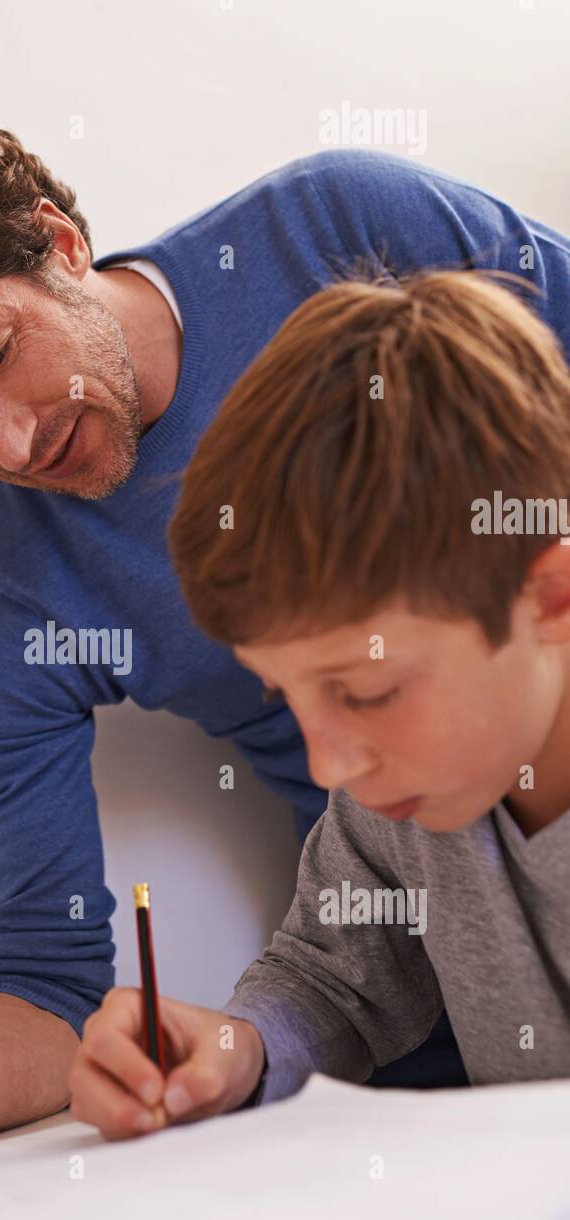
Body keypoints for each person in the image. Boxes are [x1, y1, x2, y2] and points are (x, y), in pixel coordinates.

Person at [0, 99, 570, 1141]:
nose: (5, 447)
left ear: (60, 245)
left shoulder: (344, 227)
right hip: (397, 1047)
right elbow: (53, 983)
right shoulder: (5, 616)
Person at [69, 268, 570, 1139]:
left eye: (367, 691)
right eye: (283, 692)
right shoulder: (402, 803)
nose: (328, 762)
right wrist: (237, 1048)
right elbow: (333, 980)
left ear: (550, 596)